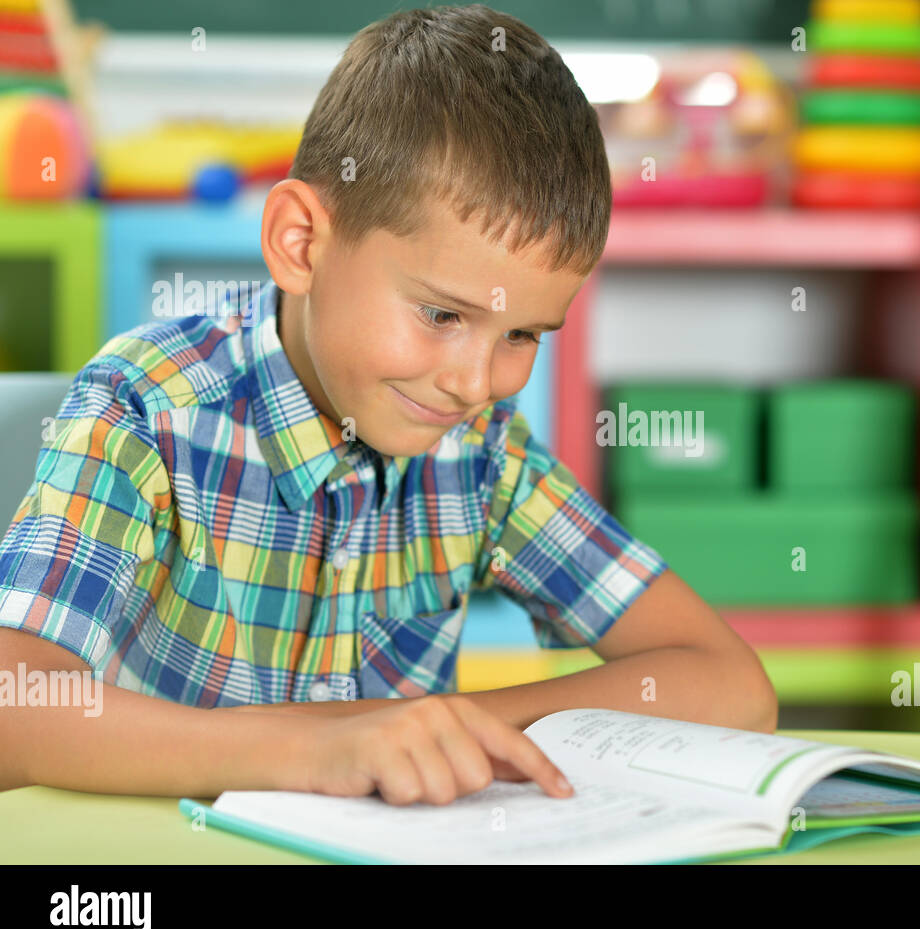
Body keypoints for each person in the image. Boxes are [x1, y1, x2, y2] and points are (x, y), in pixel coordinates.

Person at [0, 5, 777, 809]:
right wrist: (317, 746)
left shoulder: (480, 457)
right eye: (442, 315)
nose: (476, 384)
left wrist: (442, 726)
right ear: (302, 243)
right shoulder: (148, 408)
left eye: (522, 333)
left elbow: (730, 684)